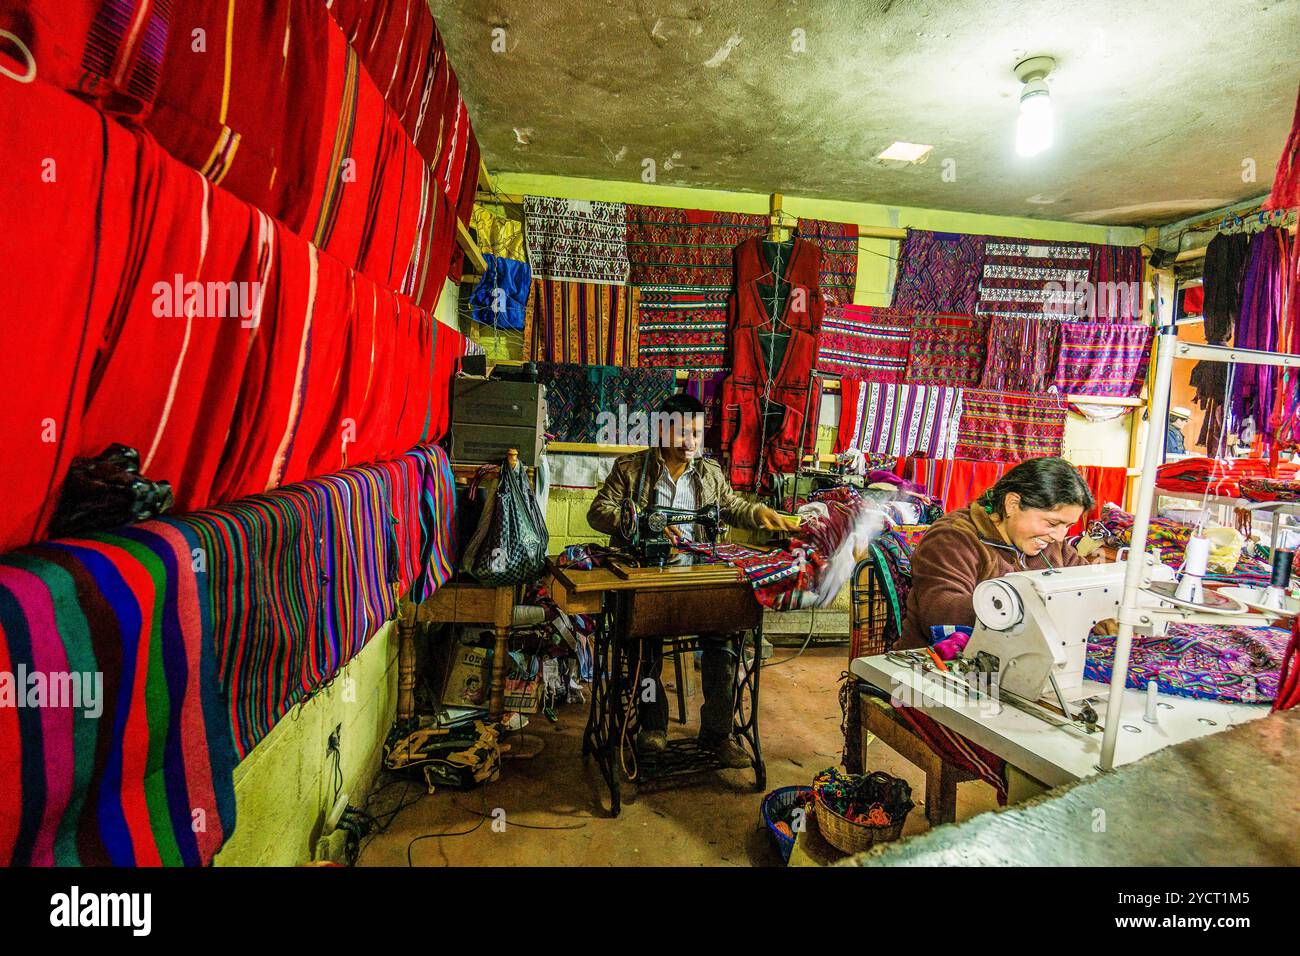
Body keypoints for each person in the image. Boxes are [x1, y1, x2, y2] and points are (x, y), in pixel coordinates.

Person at [587, 393, 800, 767]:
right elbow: (598, 511)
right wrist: (637, 521)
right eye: (684, 433)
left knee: (725, 644)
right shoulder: (631, 470)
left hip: (699, 580)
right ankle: (652, 725)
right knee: (644, 649)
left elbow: (732, 508)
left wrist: (769, 516)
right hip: (649, 580)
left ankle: (717, 734)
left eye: (697, 434)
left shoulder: (710, 473)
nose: (691, 442)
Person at [899, 456, 1101, 650]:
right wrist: (1027, 604)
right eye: (1052, 523)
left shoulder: (1053, 546)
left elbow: (1094, 591)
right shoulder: (953, 537)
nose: (1059, 536)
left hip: (1018, 664)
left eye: (1068, 526)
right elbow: (942, 615)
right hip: (937, 670)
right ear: (1012, 504)